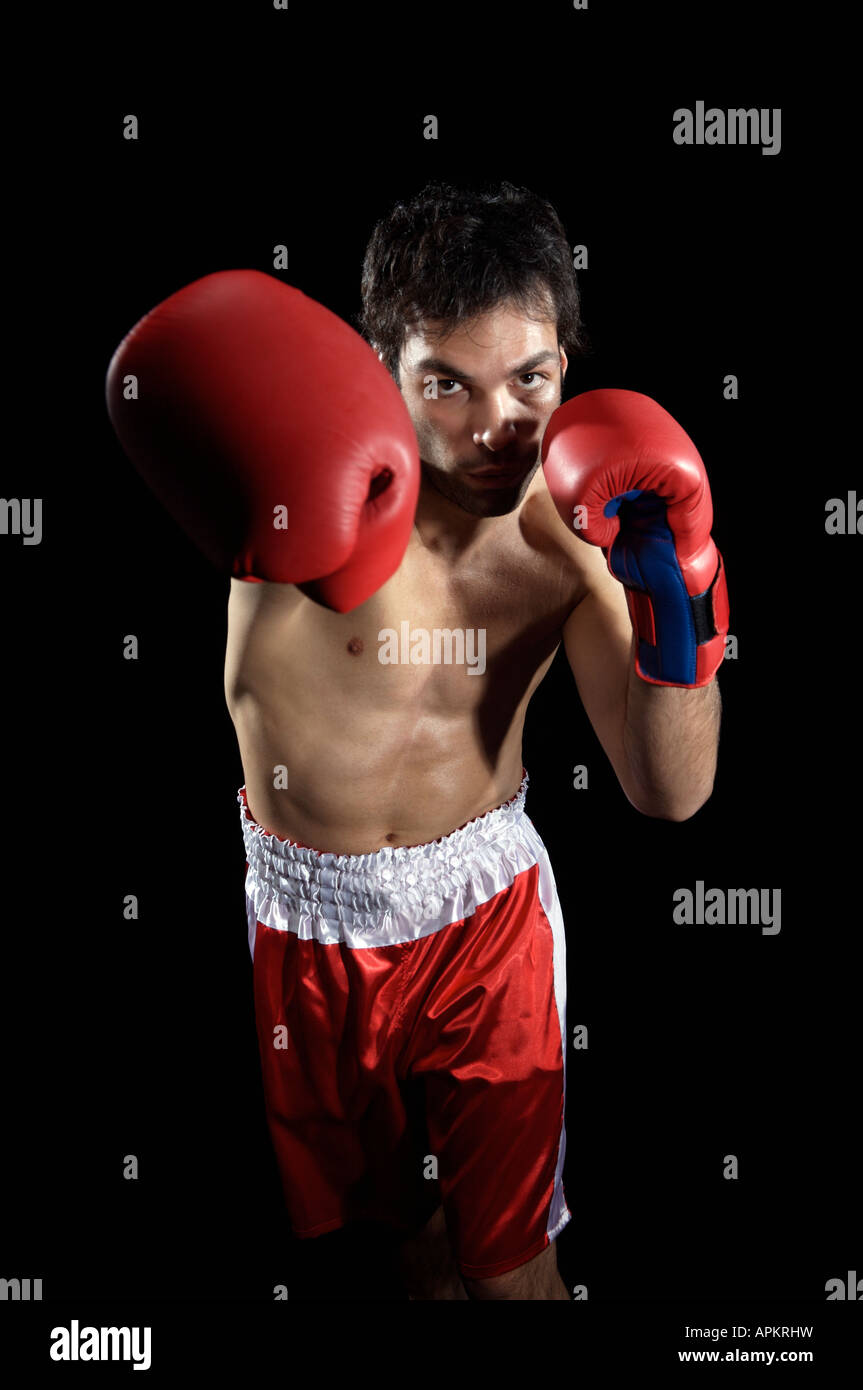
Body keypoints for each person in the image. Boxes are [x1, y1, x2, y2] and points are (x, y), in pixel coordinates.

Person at [106, 180, 727, 1301]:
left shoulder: (578, 534)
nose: (499, 428)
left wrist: (675, 612)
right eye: (448, 383)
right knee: (393, 1262)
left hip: (483, 925)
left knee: (511, 1275)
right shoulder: (298, 472)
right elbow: (159, 381)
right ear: (376, 367)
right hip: (302, 919)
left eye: (530, 380)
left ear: (566, 361)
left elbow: (669, 794)